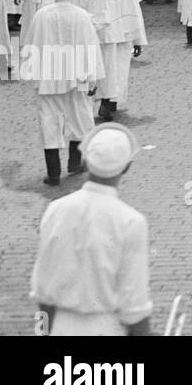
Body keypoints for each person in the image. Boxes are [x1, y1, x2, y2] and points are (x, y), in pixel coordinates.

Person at [30, 123, 151, 335]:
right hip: (106, 328)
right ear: (126, 167)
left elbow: (42, 289)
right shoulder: (131, 222)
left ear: (85, 160)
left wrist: (42, 333)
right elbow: (135, 305)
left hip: (60, 327)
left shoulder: (55, 210)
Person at [21, 0, 104, 185]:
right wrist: (93, 77)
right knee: (79, 117)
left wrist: (30, 72)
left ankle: (54, 172)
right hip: (77, 78)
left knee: (49, 122)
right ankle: (75, 163)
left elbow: (29, 44)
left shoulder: (41, 15)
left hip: (48, 78)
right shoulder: (81, 16)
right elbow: (91, 48)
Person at [84, 0, 147, 121]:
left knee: (104, 70)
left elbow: (90, 14)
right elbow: (135, 16)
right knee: (118, 71)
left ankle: (106, 102)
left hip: (102, 37)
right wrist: (138, 41)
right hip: (122, 36)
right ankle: (109, 103)